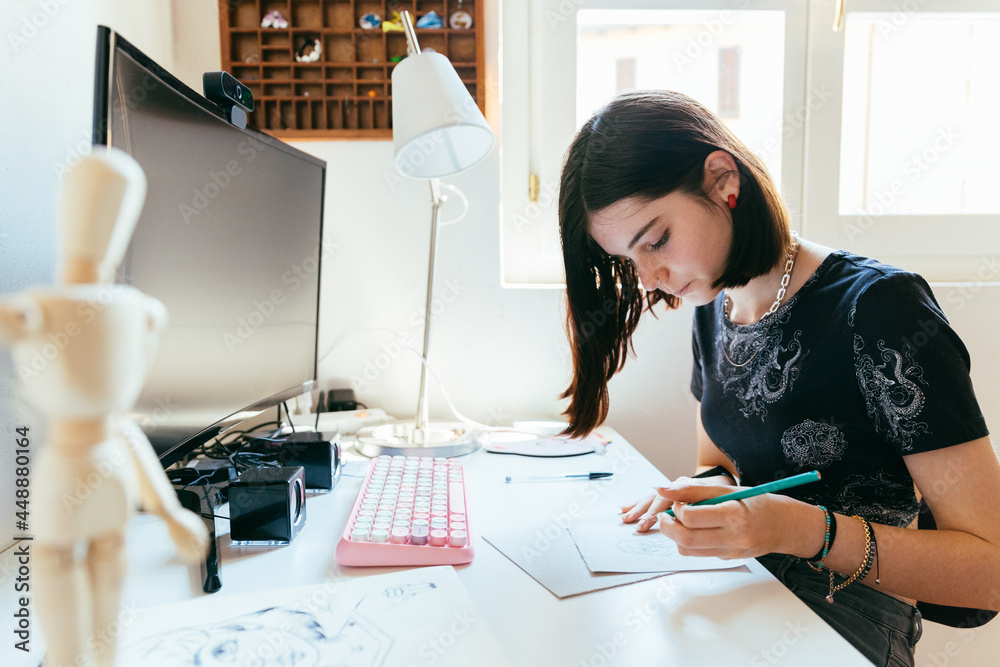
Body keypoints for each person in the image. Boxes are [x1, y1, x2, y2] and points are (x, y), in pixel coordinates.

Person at [557, 90, 1000, 666]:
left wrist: (797, 531)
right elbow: (723, 467)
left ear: (723, 181)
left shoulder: (881, 308)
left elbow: (989, 572)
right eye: (627, 261)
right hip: (750, 587)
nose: (651, 279)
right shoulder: (715, 308)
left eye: (657, 241)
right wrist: (707, 495)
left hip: (855, 619)